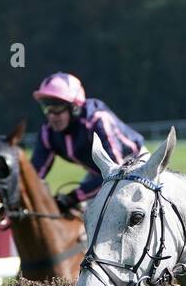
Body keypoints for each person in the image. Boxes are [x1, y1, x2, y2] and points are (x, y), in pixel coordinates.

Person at [30, 72, 147, 213]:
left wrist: (74, 196)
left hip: (135, 166)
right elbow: (33, 175)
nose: (51, 115)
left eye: (57, 107)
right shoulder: (48, 133)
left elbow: (117, 173)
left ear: (74, 107)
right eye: (46, 107)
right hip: (99, 173)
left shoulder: (97, 122)